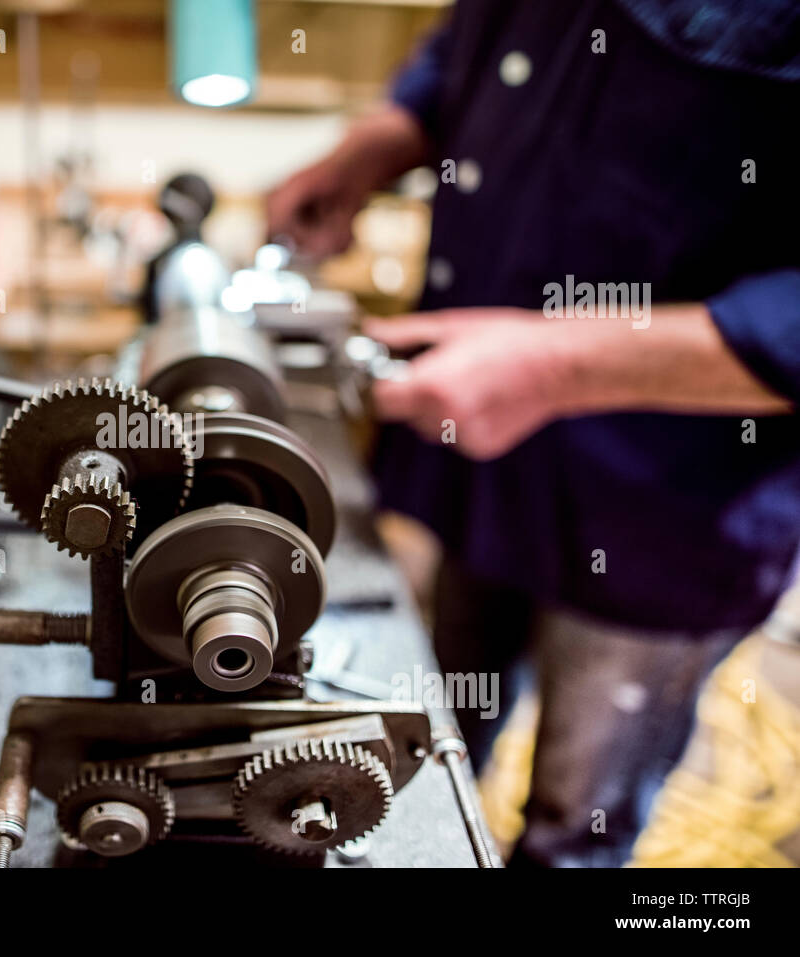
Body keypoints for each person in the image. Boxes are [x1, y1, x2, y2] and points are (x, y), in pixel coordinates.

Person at [267, 0, 800, 866]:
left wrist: (559, 367)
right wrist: (385, 138)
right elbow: (477, 39)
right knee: (425, 754)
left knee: (573, 823)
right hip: (480, 469)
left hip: (665, 507)